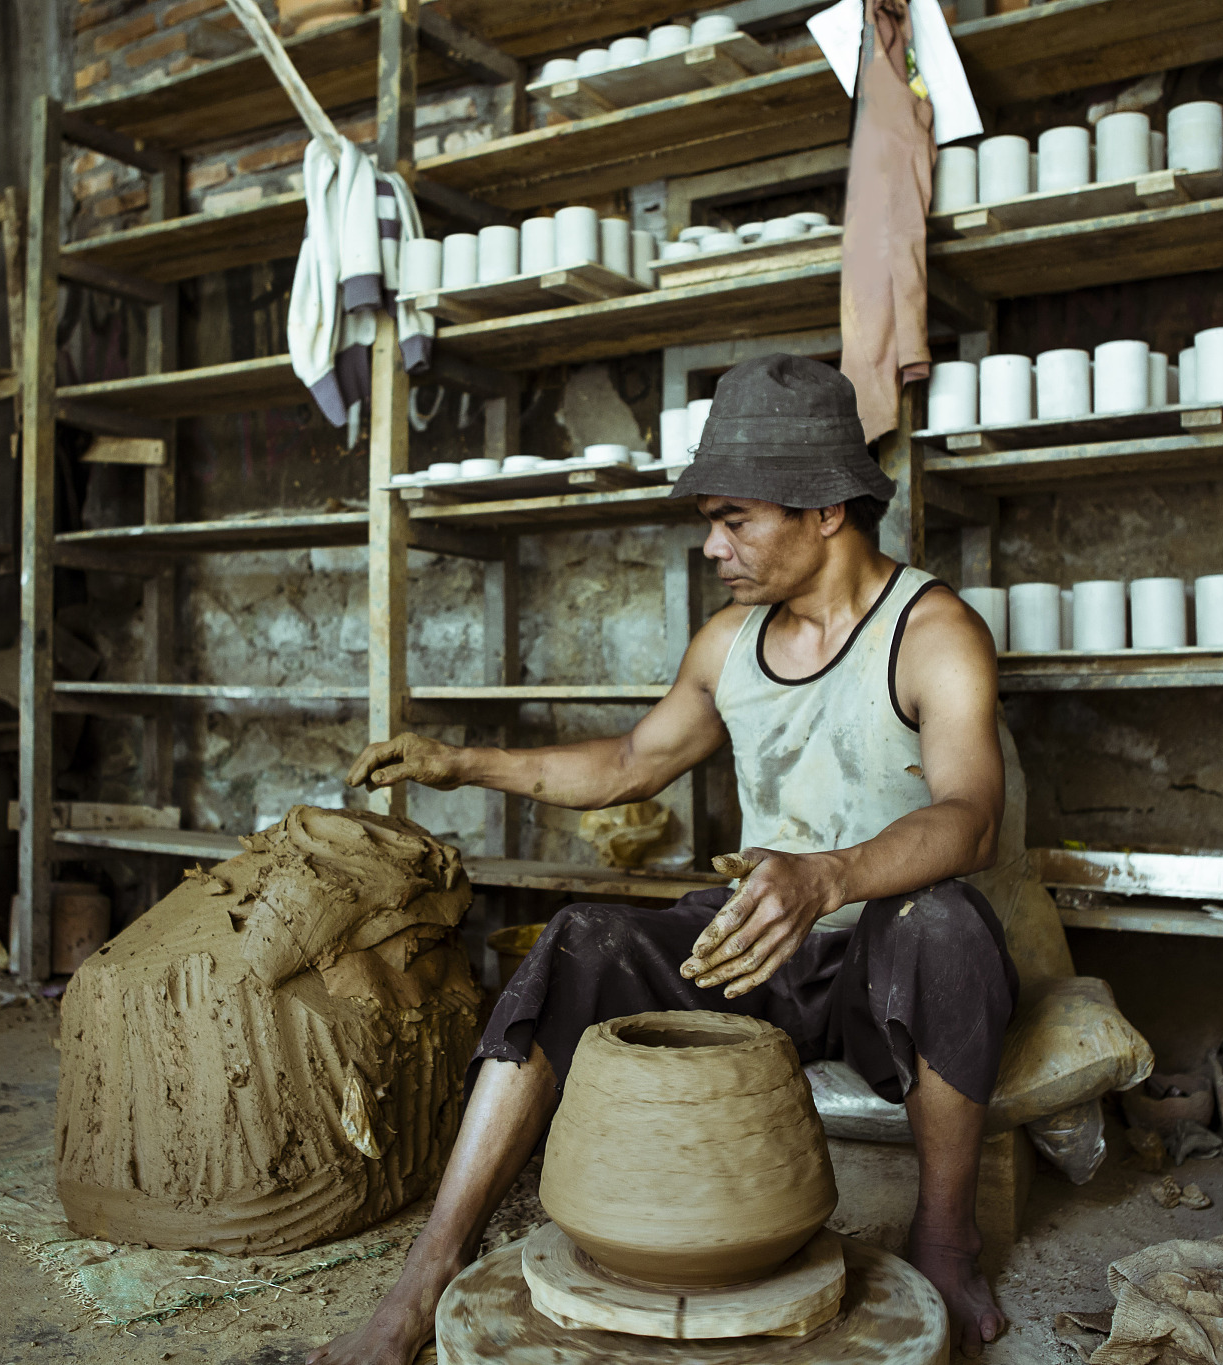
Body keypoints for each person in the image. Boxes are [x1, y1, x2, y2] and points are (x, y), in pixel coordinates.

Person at [312, 354, 1016, 1364]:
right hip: (754, 948)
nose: (711, 545)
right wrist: (461, 760)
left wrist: (826, 875)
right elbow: (630, 763)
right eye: (707, 518)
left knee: (942, 922)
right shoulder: (728, 642)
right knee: (580, 939)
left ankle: (945, 1242)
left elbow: (969, 816)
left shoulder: (932, 629)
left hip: (878, 957)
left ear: (825, 509)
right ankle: (427, 1270)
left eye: (735, 517)